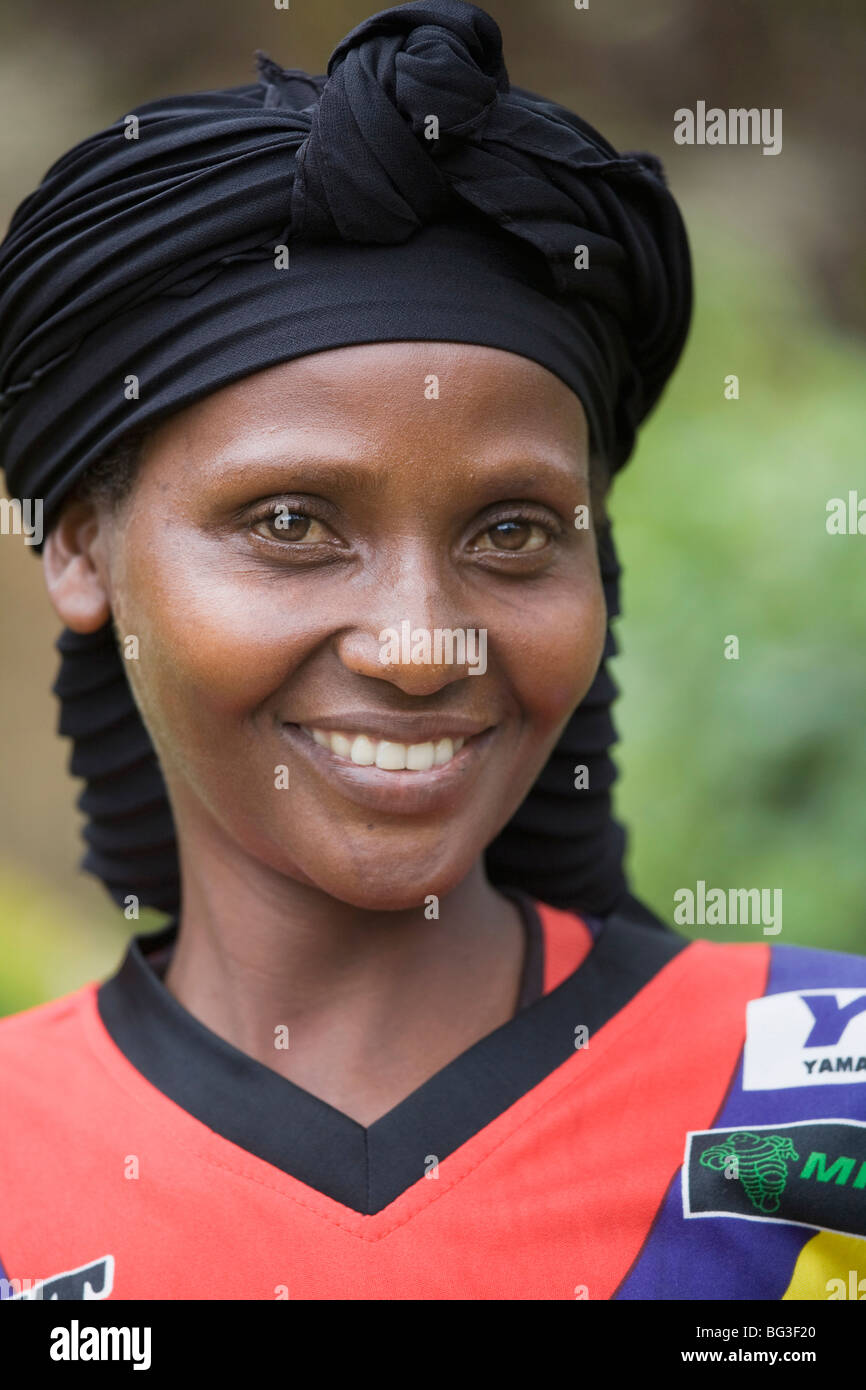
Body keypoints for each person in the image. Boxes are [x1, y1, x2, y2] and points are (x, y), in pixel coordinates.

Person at [0, 0, 863, 1302]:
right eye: (291, 522)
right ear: (79, 546)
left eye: (510, 530)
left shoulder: (819, 1103)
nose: (418, 642)